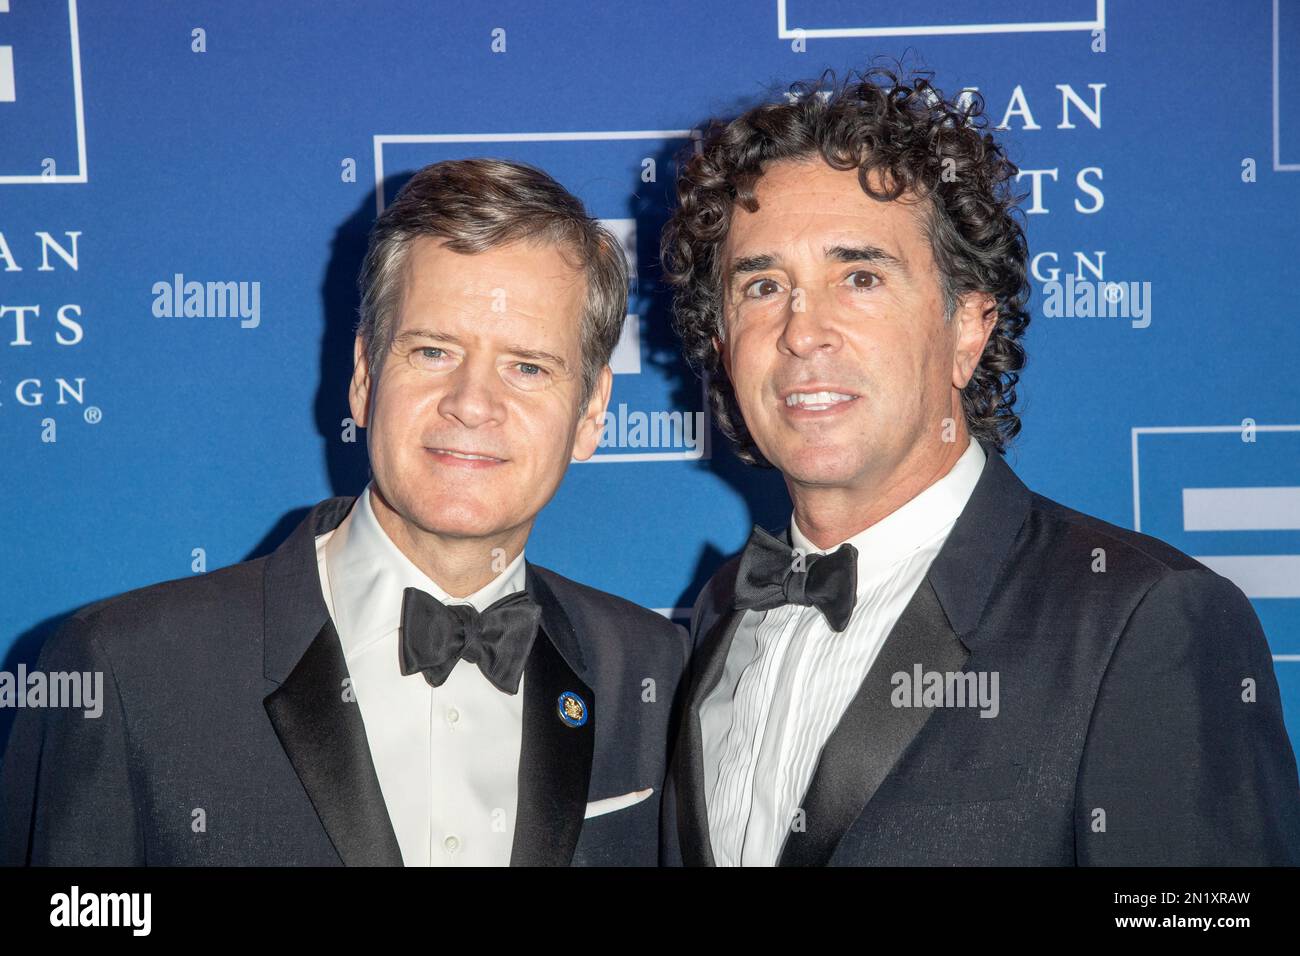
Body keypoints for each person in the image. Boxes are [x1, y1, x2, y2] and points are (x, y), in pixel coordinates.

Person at [658, 66, 1300, 866]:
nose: (802, 331)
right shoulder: (718, 618)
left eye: (859, 277)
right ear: (722, 349)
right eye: (762, 285)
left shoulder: (1143, 621)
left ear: (968, 328)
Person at [1, 158, 687, 866]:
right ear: (364, 377)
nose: (472, 402)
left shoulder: (651, 673)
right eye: (432, 350)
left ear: (592, 413)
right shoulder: (125, 670)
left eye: (528, 367)